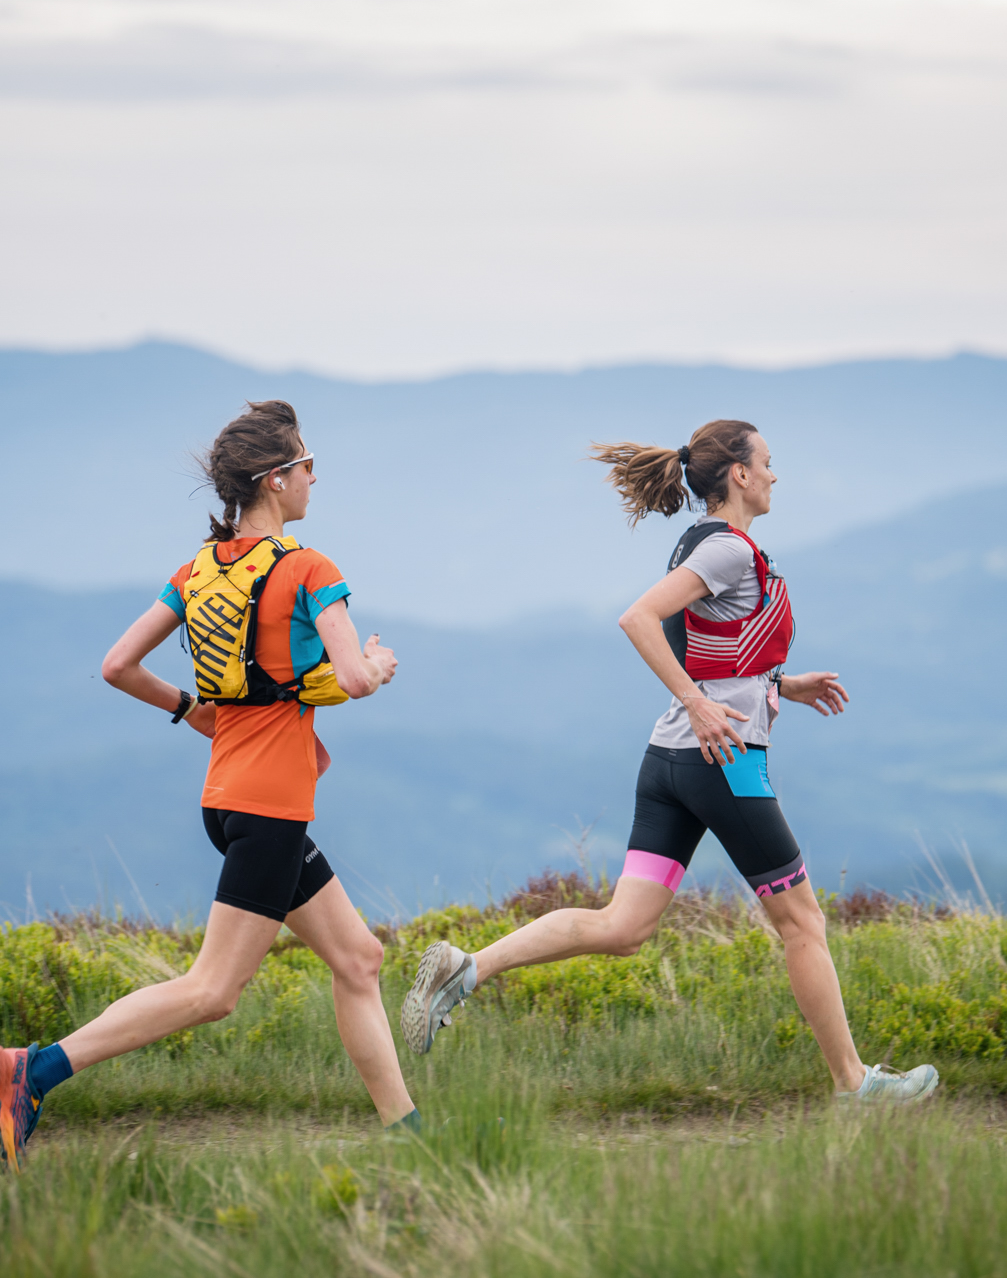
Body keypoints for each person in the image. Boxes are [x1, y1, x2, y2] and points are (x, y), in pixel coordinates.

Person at [400, 419, 938, 1105]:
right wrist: (699, 701)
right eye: (768, 462)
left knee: (623, 926)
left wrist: (781, 686)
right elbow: (638, 619)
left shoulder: (700, 543)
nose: (776, 474)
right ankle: (854, 1083)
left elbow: (715, 650)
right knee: (803, 921)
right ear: (738, 474)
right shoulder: (731, 552)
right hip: (723, 761)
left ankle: (465, 969)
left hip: (670, 761)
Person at [0, 399, 419, 1173]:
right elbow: (352, 677)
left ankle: (410, 1136)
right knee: (212, 990)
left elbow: (118, 664)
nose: (316, 478)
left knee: (358, 957)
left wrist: (191, 710)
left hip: (228, 797)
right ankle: (30, 1072)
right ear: (277, 480)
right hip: (272, 807)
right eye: (309, 466)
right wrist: (378, 666)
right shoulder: (310, 568)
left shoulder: (200, 569)